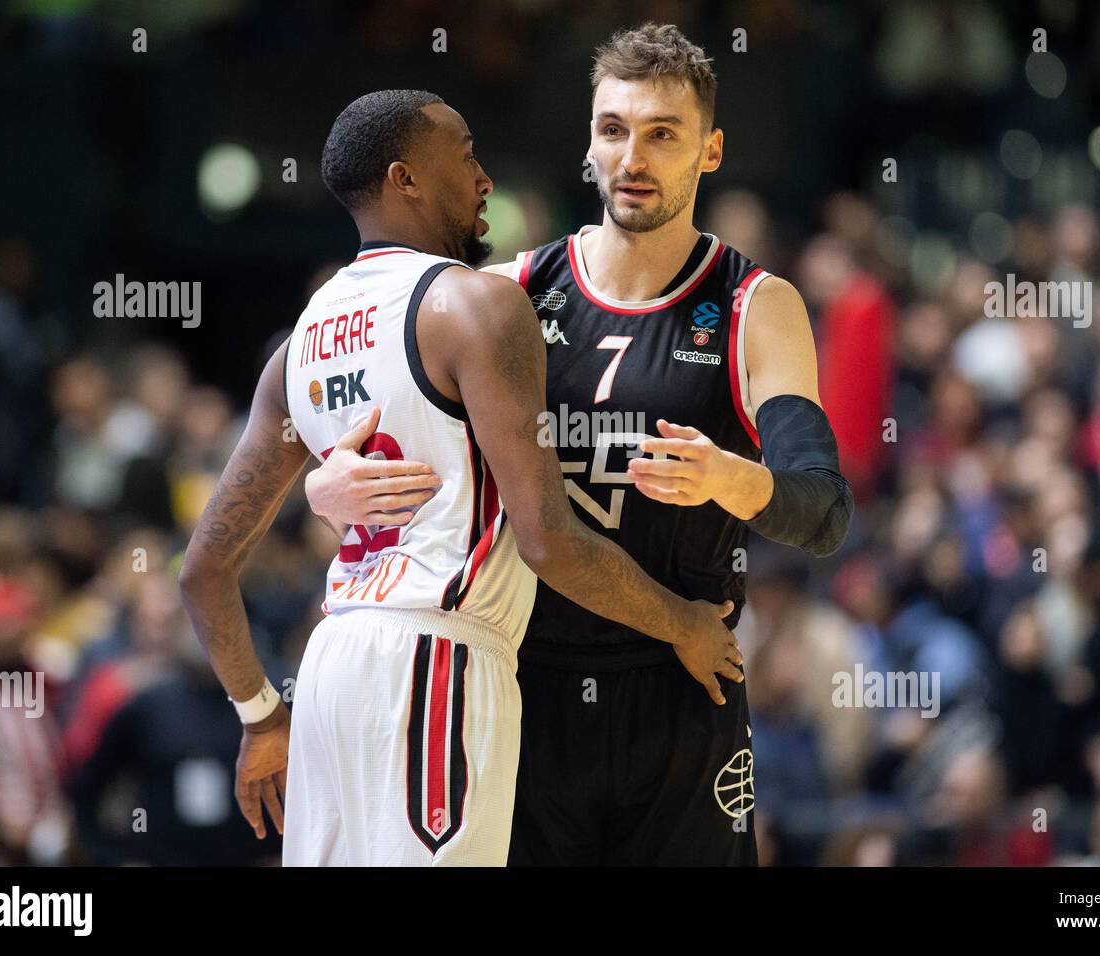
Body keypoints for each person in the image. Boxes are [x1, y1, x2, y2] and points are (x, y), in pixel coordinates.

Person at [306, 26, 853, 865]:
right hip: (523, 686)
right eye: (613, 129)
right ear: (590, 142)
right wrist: (322, 481)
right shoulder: (508, 290)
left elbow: (824, 510)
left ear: (709, 152)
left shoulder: (754, 303)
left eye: (662, 133)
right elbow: (326, 391)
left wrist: (728, 478)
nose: (633, 156)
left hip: (684, 683)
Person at [178, 88, 741, 866]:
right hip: (437, 661)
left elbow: (204, 569)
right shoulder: (477, 306)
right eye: (467, 155)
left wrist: (259, 715)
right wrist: (687, 624)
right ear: (406, 178)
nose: (484, 179)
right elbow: (550, 543)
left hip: (330, 669)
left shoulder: (298, 344)